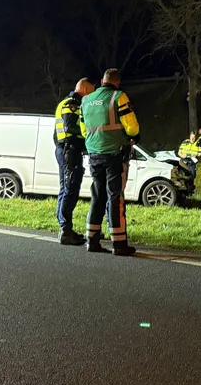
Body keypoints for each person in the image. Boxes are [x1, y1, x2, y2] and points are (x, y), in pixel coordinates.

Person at [81, 68, 140, 256]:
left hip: (94, 154)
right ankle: (119, 244)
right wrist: (133, 137)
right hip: (114, 153)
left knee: (98, 195)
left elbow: (84, 129)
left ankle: (92, 240)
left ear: (101, 80)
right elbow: (131, 126)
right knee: (116, 197)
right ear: (117, 82)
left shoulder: (86, 100)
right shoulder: (118, 96)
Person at [54, 78, 95, 245]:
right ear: (84, 89)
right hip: (69, 150)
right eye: (92, 90)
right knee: (70, 189)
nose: (93, 95)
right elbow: (70, 128)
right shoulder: (71, 104)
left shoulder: (72, 103)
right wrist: (90, 137)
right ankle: (65, 230)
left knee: (67, 188)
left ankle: (66, 228)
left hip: (69, 150)